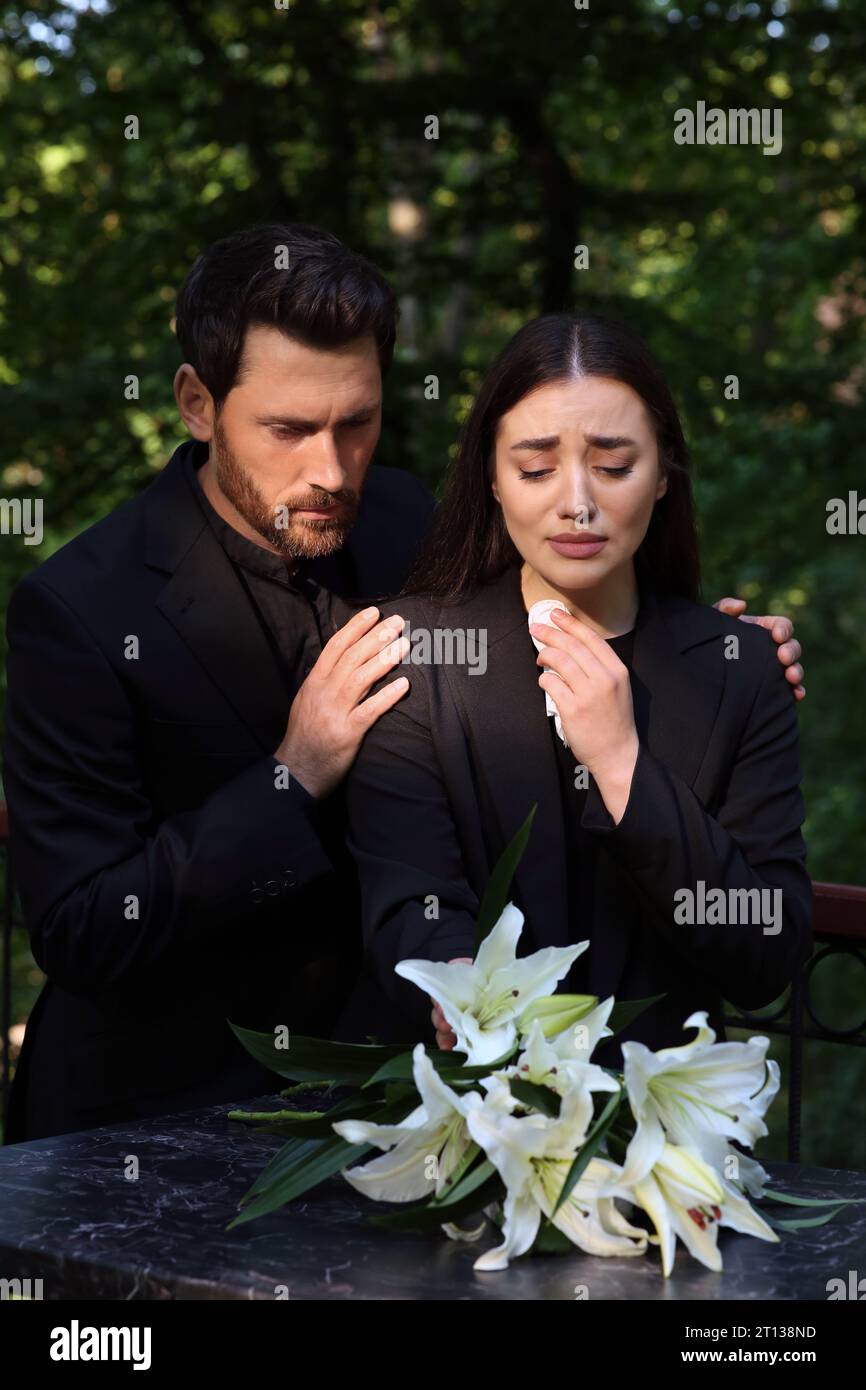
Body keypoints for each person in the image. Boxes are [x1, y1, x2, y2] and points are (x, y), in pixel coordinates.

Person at [2, 223, 430, 1140]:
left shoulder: (407, 517)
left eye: (357, 422)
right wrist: (295, 773)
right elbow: (83, 928)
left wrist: (695, 658)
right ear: (197, 403)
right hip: (146, 1128)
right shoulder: (76, 609)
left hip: (381, 1114)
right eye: (288, 429)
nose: (332, 469)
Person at [342, 312, 812, 1063]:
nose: (577, 503)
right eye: (534, 468)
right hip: (470, 1122)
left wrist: (623, 768)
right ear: (492, 479)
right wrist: (453, 985)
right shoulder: (416, 658)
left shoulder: (740, 667)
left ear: (663, 475)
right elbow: (409, 892)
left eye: (614, 466)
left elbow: (765, 955)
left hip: (664, 1139)